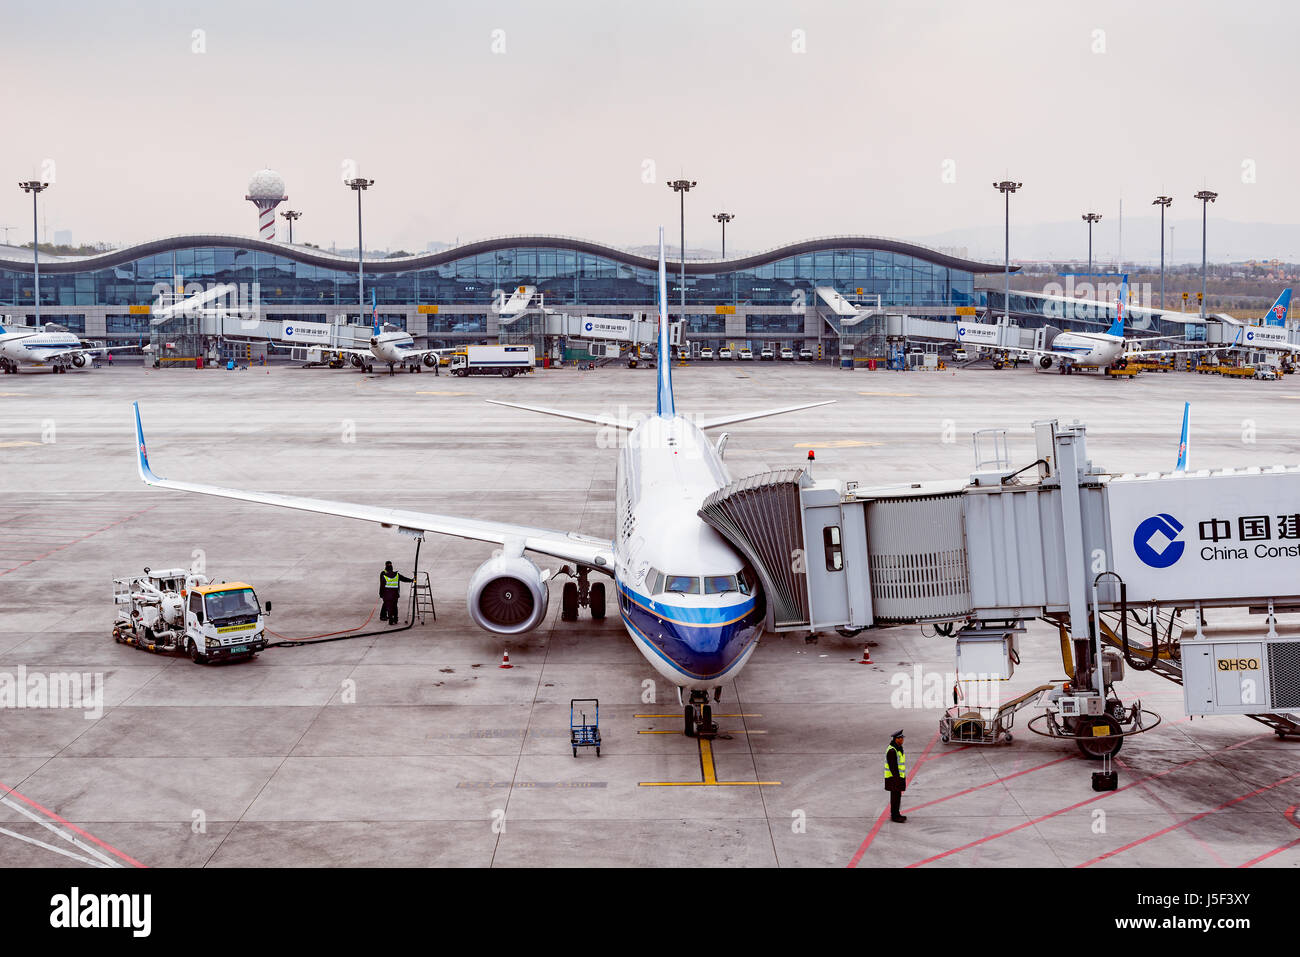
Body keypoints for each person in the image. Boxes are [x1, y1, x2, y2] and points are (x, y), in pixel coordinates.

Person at [379, 560, 412, 625]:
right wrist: (411, 580)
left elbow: (382, 585)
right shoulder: (396, 575)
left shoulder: (384, 575)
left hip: (387, 594)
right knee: (394, 606)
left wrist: (381, 593)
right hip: (395, 594)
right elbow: (404, 578)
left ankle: (390, 619)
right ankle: (395, 619)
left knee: (388, 606)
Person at [884, 729, 907, 823]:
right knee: (895, 798)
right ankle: (894, 816)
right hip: (893, 778)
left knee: (897, 797)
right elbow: (893, 767)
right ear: (896, 739)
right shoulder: (892, 751)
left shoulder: (898, 748)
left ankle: (896, 814)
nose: (902, 740)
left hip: (898, 777)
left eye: (902, 738)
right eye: (900, 738)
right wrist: (897, 779)